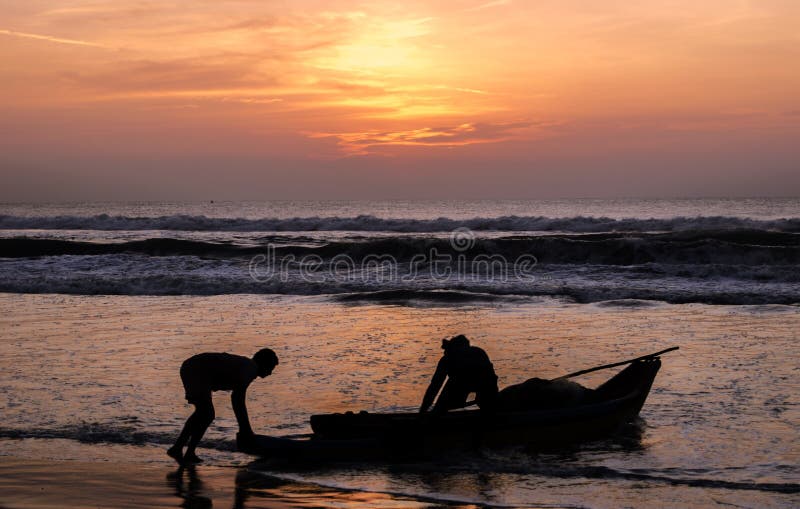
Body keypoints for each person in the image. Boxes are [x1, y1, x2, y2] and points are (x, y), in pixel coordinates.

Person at [167, 348, 278, 464]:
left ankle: (181, 449)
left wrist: (244, 428)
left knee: (203, 413)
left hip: (192, 367)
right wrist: (245, 428)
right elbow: (237, 400)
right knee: (206, 414)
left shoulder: (247, 367)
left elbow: (237, 400)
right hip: (196, 369)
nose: (270, 373)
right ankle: (183, 450)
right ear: (264, 363)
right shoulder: (250, 369)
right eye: (271, 368)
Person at [419, 335, 498, 413]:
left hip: (482, 385)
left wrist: (424, 409)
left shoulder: (450, 358)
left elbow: (435, 385)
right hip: (480, 386)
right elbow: (435, 385)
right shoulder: (478, 352)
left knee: (454, 384)